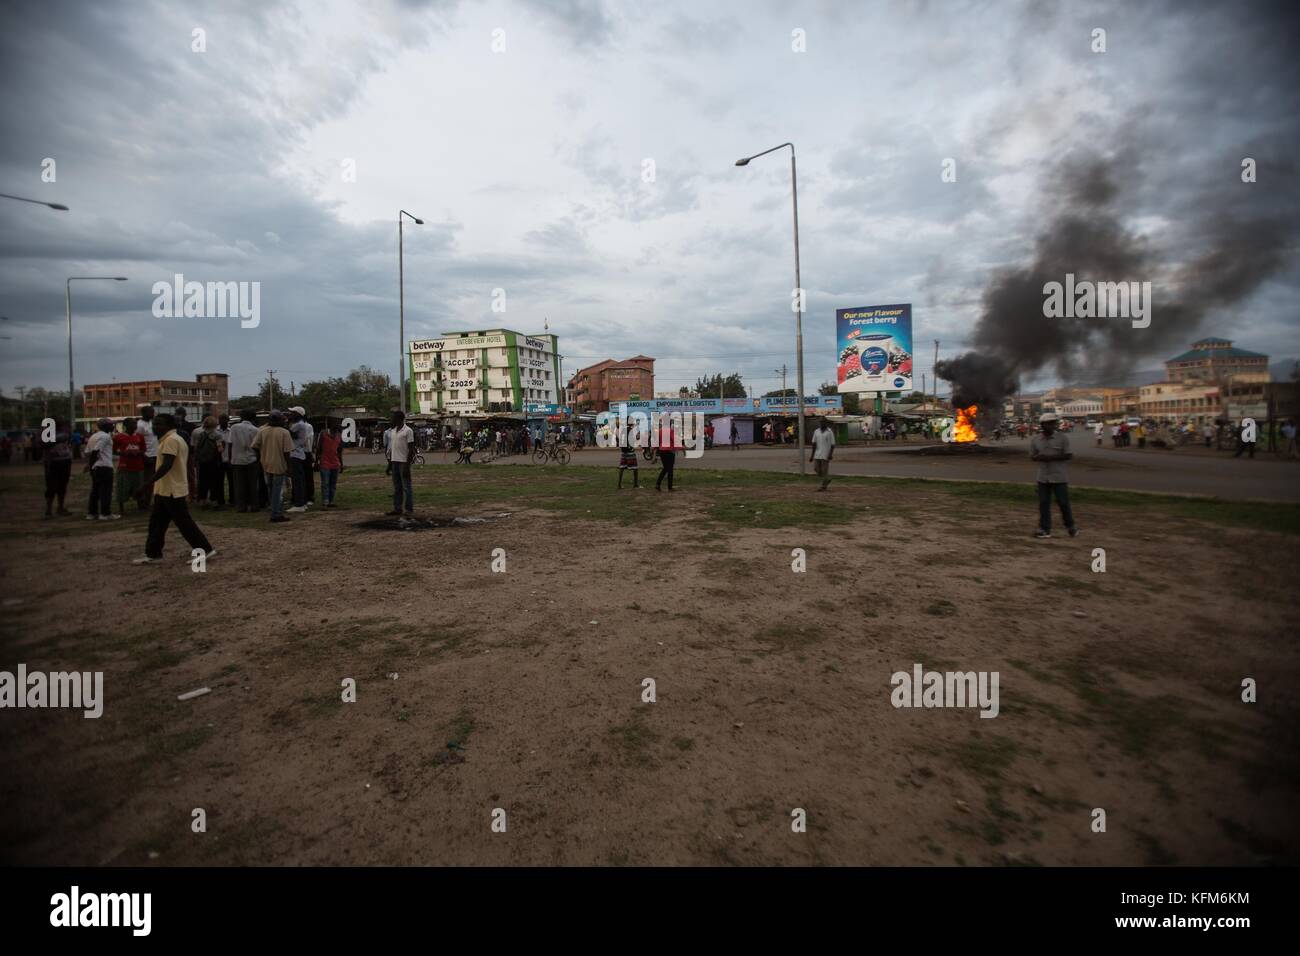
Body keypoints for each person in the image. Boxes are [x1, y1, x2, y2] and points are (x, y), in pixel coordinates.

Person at [133, 412, 216, 564]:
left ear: (169, 426)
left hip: (172, 489)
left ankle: (205, 550)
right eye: (155, 423)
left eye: (159, 424)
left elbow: (167, 465)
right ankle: (153, 553)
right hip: (164, 489)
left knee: (184, 523)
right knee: (157, 523)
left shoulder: (171, 440)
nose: (155, 427)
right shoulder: (169, 439)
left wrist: (146, 484)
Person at [1030, 412, 1078, 539]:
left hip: (1059, 476)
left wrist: (1050, 457)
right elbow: (1032, 456)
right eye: (1050, 423)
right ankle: (1045, 529)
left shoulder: (1062, 438)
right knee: (1043, 503)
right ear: (1043, 425)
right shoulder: (1036, 440)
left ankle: (1070, 526)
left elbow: (1068, 455)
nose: (1053, 425)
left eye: (1054, 423)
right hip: (1042, 477)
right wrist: (1037, 457)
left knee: (1063, 503)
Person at [251, 411, 294, 523]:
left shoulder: (262, 431)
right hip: (279, 464)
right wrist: (289, 467)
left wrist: (261, 455)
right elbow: (287, 452)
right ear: (280, 420)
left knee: (271, 488)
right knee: (276, 490)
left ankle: (275, 509)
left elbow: (255, 446)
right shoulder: (284, 432)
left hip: (265, 464)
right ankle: (276, 514)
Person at [84, 418, 118, 521]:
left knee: (95, 491)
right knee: (105, 491)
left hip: (96, 467)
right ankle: (105, 513)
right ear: (105, 426)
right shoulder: (105, 436)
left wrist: (90, 465)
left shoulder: (93, 436)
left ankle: (92, 513)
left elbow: (87, 452)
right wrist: (91, 464)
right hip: (104, 466)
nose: (113, 427)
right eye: (111, 425)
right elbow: (96, 451)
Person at [112, 417, 148, 515]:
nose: (135, 426)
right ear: (126, 425)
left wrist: (138, 452)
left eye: (135, 424)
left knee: (139, 486)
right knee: (122, 487)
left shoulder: (139, 436)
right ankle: (121, 508)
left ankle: (141, 506)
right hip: (125, 466)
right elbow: (114, 450)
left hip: (138, 466)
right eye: (133, 424)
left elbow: (144, 449)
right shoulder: (118, 437)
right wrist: (124, 453)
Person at [228, 409, 261, 512]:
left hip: (237, 459)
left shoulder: (234, 428)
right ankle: (254, 505)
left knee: (239, 485)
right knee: (253, 484)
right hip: (251, 459)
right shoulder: (256, 430)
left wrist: (230, 458)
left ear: (242, 417)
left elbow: (230, 444)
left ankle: (241, 507)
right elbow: (257, 447)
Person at [192, 415, 226, 509]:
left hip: (202, 462)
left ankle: (202, 501)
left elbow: (196, 448)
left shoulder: (201, 434)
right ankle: (214, 501)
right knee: (214, 482)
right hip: (213, 461)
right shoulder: (217, 435)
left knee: (203, 481)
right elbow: (220, 449)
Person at [386, 409, 415, 515]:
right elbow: (392, 449)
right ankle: (397, 508)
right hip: (394, 462)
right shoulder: (392, 431)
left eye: (393, 417)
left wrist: (407, 465)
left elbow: (411, 449)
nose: (391, 419)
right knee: (397, 487)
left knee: (407, 487)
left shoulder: (408, 431)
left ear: (399, 419)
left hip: (403, 462)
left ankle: (409, 509)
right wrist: (389, 465)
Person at [41, 420, 73, 518]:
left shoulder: (65, 431)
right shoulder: (45, 432)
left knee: (63, 485)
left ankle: (60, 507)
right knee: (51, 486)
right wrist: (56, 439)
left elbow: (68, 440)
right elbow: (42, 444)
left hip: (65, 461)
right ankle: (48, 510)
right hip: (52, 462)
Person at [286, 406, 312, 513]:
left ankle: (299, 504)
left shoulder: (298, 425)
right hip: (300, 454)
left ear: (298, 414)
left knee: (297, 481)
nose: (290, 414)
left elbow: (287, 433)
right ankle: (303, 502)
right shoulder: (302, 425)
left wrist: (287, 422)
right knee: (300, 480)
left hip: (295, 454)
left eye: (293, 413)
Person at [317, 419, 344, 507]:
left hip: (335, 463)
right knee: (325, 483)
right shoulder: (323, 434)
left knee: (332, 483)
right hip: (325, 462)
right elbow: (319, 448)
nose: (337, 430)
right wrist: (317, 460)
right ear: (331, 427)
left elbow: (339, 451)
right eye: (336, 428)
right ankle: (325, 500)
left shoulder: (339, 436)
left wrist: (341, 464)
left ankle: (331, 501)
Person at [138, 404, 159, 506]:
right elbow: (137, 442)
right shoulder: (140, 425)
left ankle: (151, 499)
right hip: (147, 456)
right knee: (147, 479)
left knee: (155, 479)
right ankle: (144, 501)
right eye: (151, 412)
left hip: (156, 455)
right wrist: (143, 456)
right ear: (144, 413)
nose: (153, 414)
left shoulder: (152, 423)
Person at [810, 417, 835, 491]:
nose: (821, 423)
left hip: (825, 454)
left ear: (826, 423)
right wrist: (812, 455)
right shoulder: (816, 431)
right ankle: (826, 480)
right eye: (820, 422)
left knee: (824, 470)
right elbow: (814, 444)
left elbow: (833, 444)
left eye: (823, 422)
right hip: (817, 454)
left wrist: (830, 454)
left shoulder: (829, 432)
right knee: (816, 469)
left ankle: (823, 486)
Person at [655, 419, 679, 491]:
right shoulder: (671, 431)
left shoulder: (660, 431)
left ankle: (658, 484)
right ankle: (670, 487)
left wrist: (654, 448)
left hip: (662, 451)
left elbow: (657, 441)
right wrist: (680, 448)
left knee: (665, 468)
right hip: (669, 451)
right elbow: (674, 440)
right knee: (670, 469)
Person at [618, 421, 640, 489]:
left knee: (622, 468)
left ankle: (619, 484)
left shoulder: (623, 430)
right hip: (630, 452)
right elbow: (637, 438)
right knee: (635, 469)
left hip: (624, 452)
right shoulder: (631, 430)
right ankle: (635, 484)